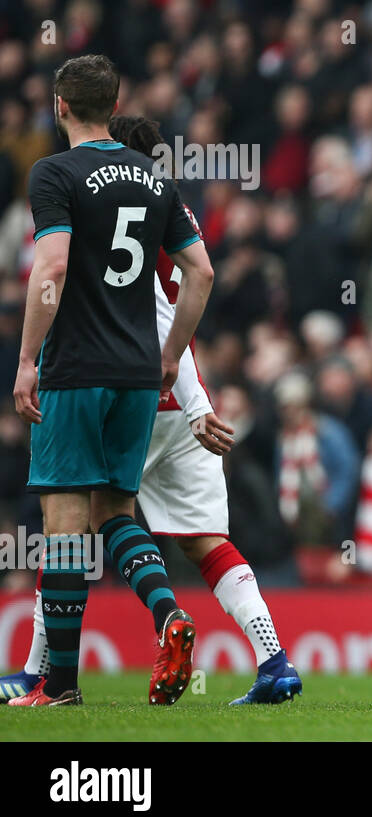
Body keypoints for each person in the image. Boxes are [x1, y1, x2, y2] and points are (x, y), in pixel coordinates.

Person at [3, 116, 304, 707]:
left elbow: (158, 309)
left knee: (73, 519)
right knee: (206, 541)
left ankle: (47, 670)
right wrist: (198, 400)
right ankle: (275, 661)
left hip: (137, 389)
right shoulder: (172, 207)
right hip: (178, 394)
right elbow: (193, 287)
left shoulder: (105, 210)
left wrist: (185, 393)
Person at [9, 56, 213, 706]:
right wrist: (172, 354)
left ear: (60, 105)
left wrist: (24, 359)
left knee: (65, 522)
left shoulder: (55, 172)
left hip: (75, 367)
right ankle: (168, 615)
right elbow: (201, 271)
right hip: (135, 373)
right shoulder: (154, 179)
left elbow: (55, 265)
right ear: (112, 101)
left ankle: (61, 685)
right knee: (115, 513)